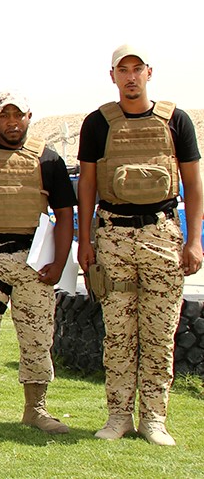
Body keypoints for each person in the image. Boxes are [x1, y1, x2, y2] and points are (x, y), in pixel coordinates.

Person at [77, 44, 202, 446]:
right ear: (112, 75)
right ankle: (118, 417)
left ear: (149, 72)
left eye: (137, 69)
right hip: (113, 235)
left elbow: (194, 185)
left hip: (162, 235)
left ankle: (154, 419)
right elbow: (89, 186)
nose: (130, 77)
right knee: (118, 332)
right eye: (122, 70)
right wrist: (86, 241)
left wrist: (194, 241)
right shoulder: (98, 123)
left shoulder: (176, 121)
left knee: (160, 331)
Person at [0, 91, 75, 435]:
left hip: (34, 265)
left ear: (29, 116)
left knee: (37, 337)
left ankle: (36, 409)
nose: (12, 122)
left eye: (17, 115)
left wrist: (59, 262)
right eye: (4, 116)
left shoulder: (47, 160)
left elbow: (65, 215)